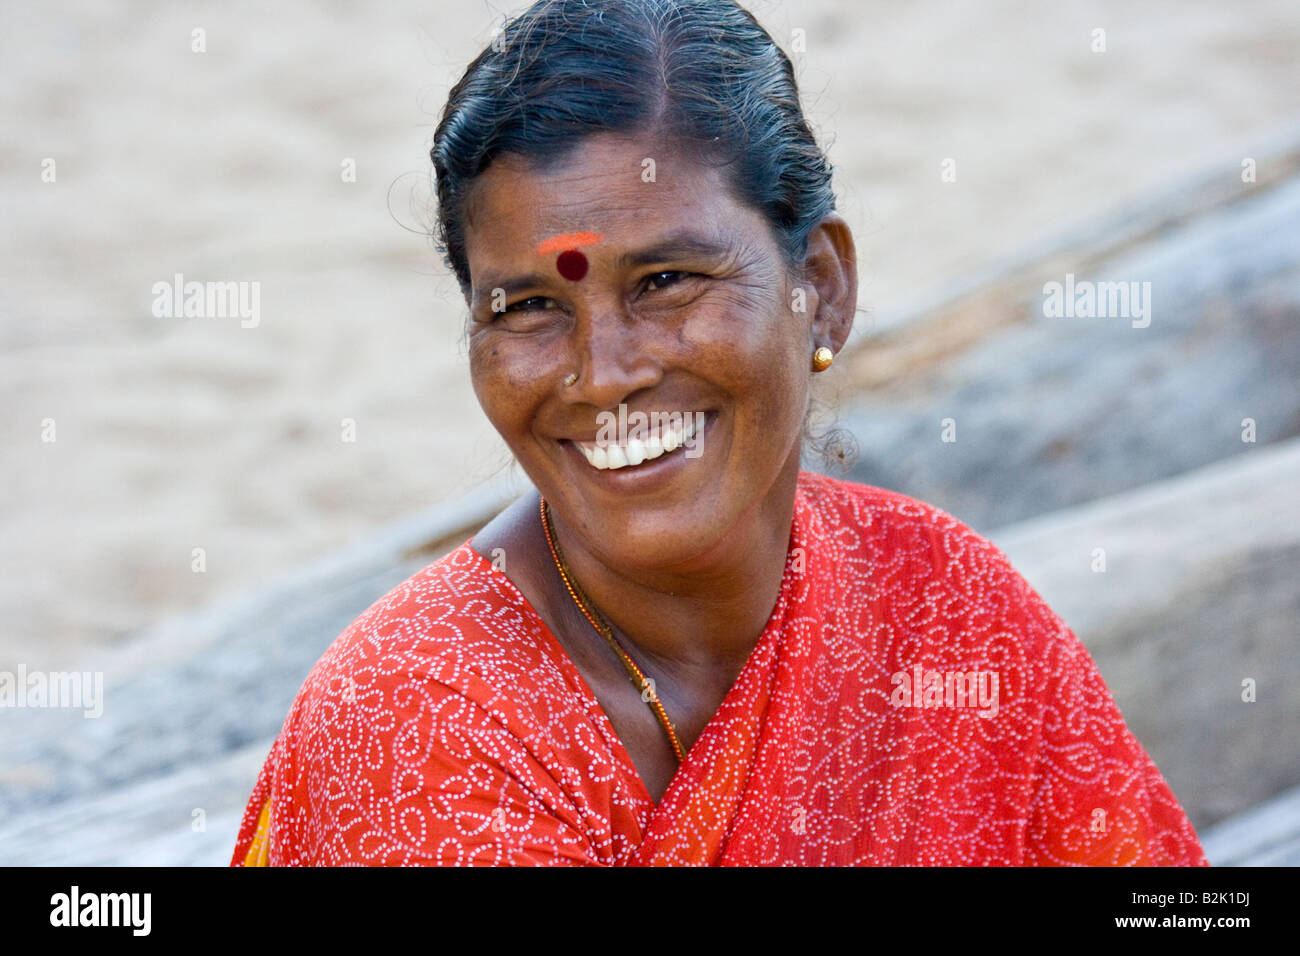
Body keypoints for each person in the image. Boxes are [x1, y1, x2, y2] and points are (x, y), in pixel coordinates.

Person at [231, 0, 1206, 866]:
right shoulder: (418, 729)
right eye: (526, 306)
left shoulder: (943, 606)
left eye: (665, 282)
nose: (602, 372)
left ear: (819, 288)